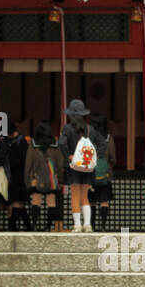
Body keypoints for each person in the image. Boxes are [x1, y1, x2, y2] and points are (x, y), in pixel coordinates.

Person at [58, 99, 107, 233]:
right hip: (87, 166)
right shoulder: (90, 128)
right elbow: (103, 143)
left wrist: (68, 155)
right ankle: (88, 225)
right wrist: (95, 157)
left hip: (73, 166)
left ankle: (77, 225)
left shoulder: (67, 128)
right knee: (85, 196)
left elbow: (61, 144)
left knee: (75, 195)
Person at [27, 121, 64, 232]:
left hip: (36, 178)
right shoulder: (55, 144)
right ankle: (48, 227)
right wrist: (61, 180)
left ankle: (34, 225)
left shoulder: (33, 144)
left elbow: (29, 163)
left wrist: (28, 179)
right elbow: (60, 163)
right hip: (52, 179)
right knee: (51, 201)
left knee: (36, 200)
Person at [87, 112, 117, 232]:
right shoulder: (109, 139)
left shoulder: (87, 139)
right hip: (106, 175)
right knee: (104, 201)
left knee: (92, 201)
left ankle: (92, 226)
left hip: (90, 174)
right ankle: (103, 226)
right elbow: (114, 159)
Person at [4, 125, 32, 232]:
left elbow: (23, 159)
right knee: (19, 204)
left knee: (16, 202)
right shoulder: (11, 141)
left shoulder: (21, 141)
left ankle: (13, 227)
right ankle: (28, 226)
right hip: (13, 175)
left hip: (19, 175)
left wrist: (10, 164)